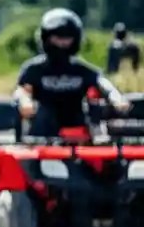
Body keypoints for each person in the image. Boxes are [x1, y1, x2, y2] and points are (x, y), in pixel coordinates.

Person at [14, 8, 131, 136]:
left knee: (87, 115)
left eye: (67, 38)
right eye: (57, 38)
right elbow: (23, 90)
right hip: (42, 135)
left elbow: (103, 83)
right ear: (46, 38)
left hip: (76, 130)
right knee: (45, 113)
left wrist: (116, 98)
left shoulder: (82, 69)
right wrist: (25, 101)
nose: (62, 43)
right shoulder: (35, 69)